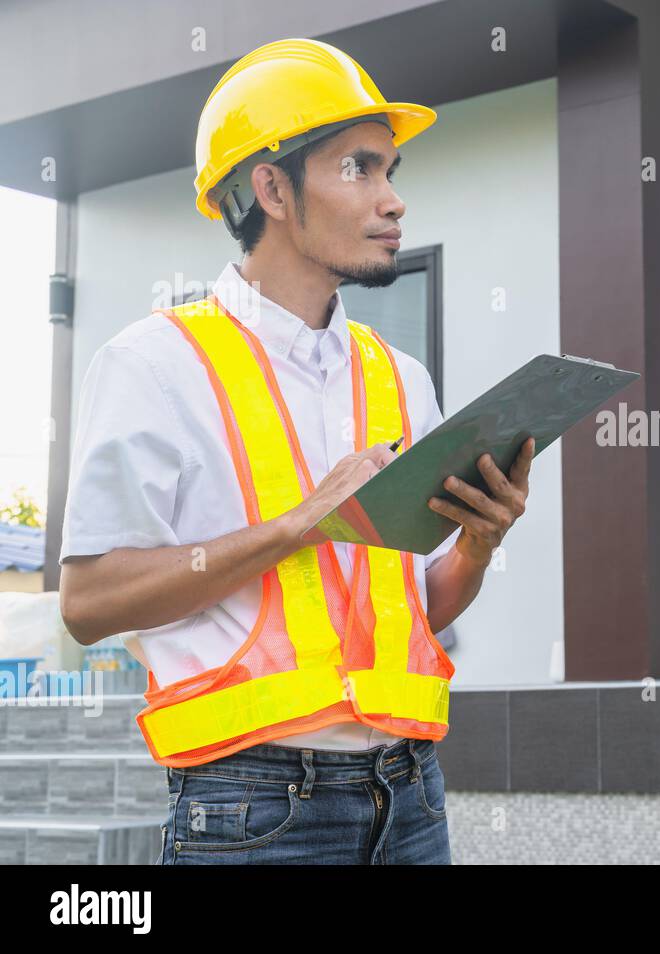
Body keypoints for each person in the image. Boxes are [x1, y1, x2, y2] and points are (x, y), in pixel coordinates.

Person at [57, 38, 533, 864]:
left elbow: (415, 613)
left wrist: (479, 545)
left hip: (411, 797)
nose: (393, 202)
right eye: (360, 168)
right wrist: (301, 524)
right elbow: (88, 603)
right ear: (272, 188)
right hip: (249, 811)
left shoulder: (399, 378)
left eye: (392, 172)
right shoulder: (154, 365)